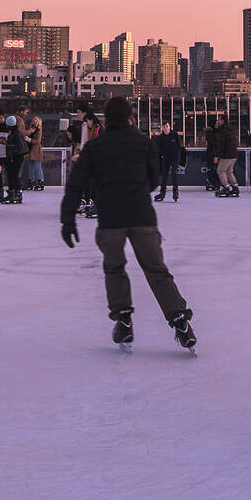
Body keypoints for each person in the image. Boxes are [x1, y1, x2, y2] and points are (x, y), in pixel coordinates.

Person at [60, 94, 196, 352]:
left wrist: (67, 220)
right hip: (141, 216)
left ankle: (123, 320)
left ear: (107, 118)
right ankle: (179, 320)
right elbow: (155, 179)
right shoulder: (142, 143)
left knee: (114, 268)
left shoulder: (95, 147)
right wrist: (137, 189)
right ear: (130, 117)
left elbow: (76, 185)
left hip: (111, 219)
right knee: (156, 269)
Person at [154, 121, 184, 203]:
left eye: (167, 126)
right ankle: (162, 193)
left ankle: (175, 192)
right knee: (164, 176)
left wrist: (178, 158)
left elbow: (180, 147)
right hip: (166, 159)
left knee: (174, 175)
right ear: (162, 128)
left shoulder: (175, 134)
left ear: (169, 127)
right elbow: (159, 149)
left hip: (174, 158)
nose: (165, 128)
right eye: (164, 126)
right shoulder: (161, 137)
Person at [210, 115, 240, 197]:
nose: (218, 122)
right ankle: (235, 187)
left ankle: (226, 187)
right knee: (229, 171)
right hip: (234, 153)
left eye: (219, 120)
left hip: (227, 154)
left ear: (222, 120)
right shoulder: (232, 129)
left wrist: (217, 155)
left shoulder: (223, 130)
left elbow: (221, 144)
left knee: (220, 170)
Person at [21, 106, 45, 191]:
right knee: (30, 167)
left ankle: (40, 182)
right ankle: (30, 182)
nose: (34, 121)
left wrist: (28, 139)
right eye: (33, 119)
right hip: (30, 149)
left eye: (36, 120)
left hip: (36, 150)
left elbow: (37, 141)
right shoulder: (31, 129)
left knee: (37, 167)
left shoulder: (38, 130)